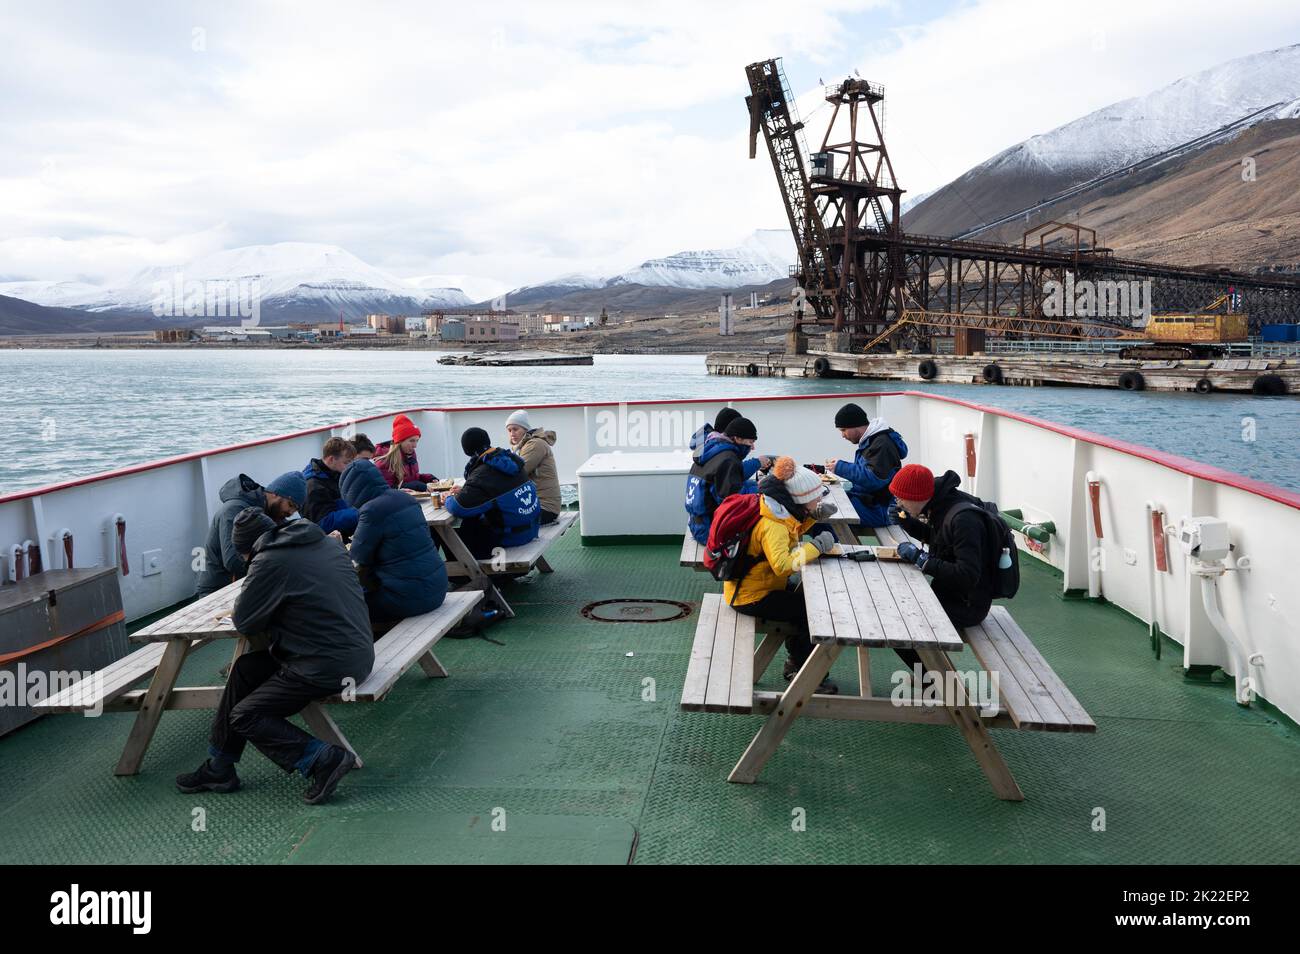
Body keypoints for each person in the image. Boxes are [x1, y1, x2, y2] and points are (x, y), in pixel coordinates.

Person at [175, 507, 375, 805]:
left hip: (325, 664)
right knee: (244, 669)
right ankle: (220, 766)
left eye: (245, 560)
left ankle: (323, 758)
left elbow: (244, 621)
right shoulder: (322, 542)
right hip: (356, 652)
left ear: (249, 550)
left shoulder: (268, 560)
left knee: (245, 715)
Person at [724, 456, 840, 694]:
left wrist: (813, 518)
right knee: (810, 614)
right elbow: (782, 564)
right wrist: (816, 547)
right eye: (816, 497)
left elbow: (792, 527)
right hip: (751, 596)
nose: (820, 500)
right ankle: (805, 673)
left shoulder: (778, 509)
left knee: (806, 602)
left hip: (757, 587)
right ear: (802, 499)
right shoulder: (773, 523)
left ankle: (795, 663)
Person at [888, 463, 1001, 630]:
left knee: (899, 620)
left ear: (917, 496)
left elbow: (967, 575)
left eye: (901, 498)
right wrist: (907, 522)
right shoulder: (941, 504)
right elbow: (939, 541)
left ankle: (924, 657)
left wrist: (921, 560)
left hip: (966, 605)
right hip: (948, 592)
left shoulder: (963, 520)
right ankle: (922, 657)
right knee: (895, 602)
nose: (899, 503)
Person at [340, 459, 448, 629]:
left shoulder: (372, 510)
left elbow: (358, 557)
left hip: (410, 598)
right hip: (438, 587)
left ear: (351, 490)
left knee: (346, 608)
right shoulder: (405, 498)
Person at [195, 471, 304, 596]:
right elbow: (232, 561)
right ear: (275, 494)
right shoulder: (233, 510)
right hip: (218, 590)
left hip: (249, 582)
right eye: (290, 505)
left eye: (296, 510)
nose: (290, 512)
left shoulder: (273, 511)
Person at [445, 427, 540, 560]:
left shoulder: (482, 473)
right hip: (531, 529)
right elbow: (496, 488)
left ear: (468, 450)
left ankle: (462, 575)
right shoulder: (510, 460)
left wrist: (448, 498)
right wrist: (465, 491)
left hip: (510, 537)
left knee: (459, 529)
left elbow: (458, 508)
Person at [685, 416, 771, 545]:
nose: (752, 447)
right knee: (766, 521)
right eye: (750, 442)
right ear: (737, 439)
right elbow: (732, 500)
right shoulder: (727, 460)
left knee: (752, 486)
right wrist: (764, 489)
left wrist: (756, 475)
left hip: (697, 524)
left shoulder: (712, 450)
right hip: (710, 531)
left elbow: (730, 479)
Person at [827, 402, 909, 528]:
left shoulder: (881, 444)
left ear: (855, 426)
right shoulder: (873, 440)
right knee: (825, 505)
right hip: (869, 502)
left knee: (825, 515)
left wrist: (840, 467)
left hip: (880, 510)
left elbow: (874, 479)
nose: (842, 435)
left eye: (843, 430)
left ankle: (828, 546)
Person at [505, 409, 562, 525]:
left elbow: (516, 473)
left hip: (545, 509)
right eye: (509, 430)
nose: (512, 433)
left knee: (499, 517)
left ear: (525, 429)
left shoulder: (535, 445)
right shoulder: (524, 446)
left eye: (515, 429)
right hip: (537, 504)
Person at [302, 437, 359, 539]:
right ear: (331, 459)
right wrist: (361, 512)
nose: (350, 466)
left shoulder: (337, 473)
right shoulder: (313, 486)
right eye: (346, 462)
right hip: (332, 540)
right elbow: (323, 523)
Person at [373, 414, 436, 491]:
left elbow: (412, 478)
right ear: (400, 441)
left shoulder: (410, 454)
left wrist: (428, 478)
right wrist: (412, 486)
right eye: (411, 441)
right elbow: (384, 490)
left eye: (417, 441)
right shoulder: (385, 460)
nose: (415, 446)